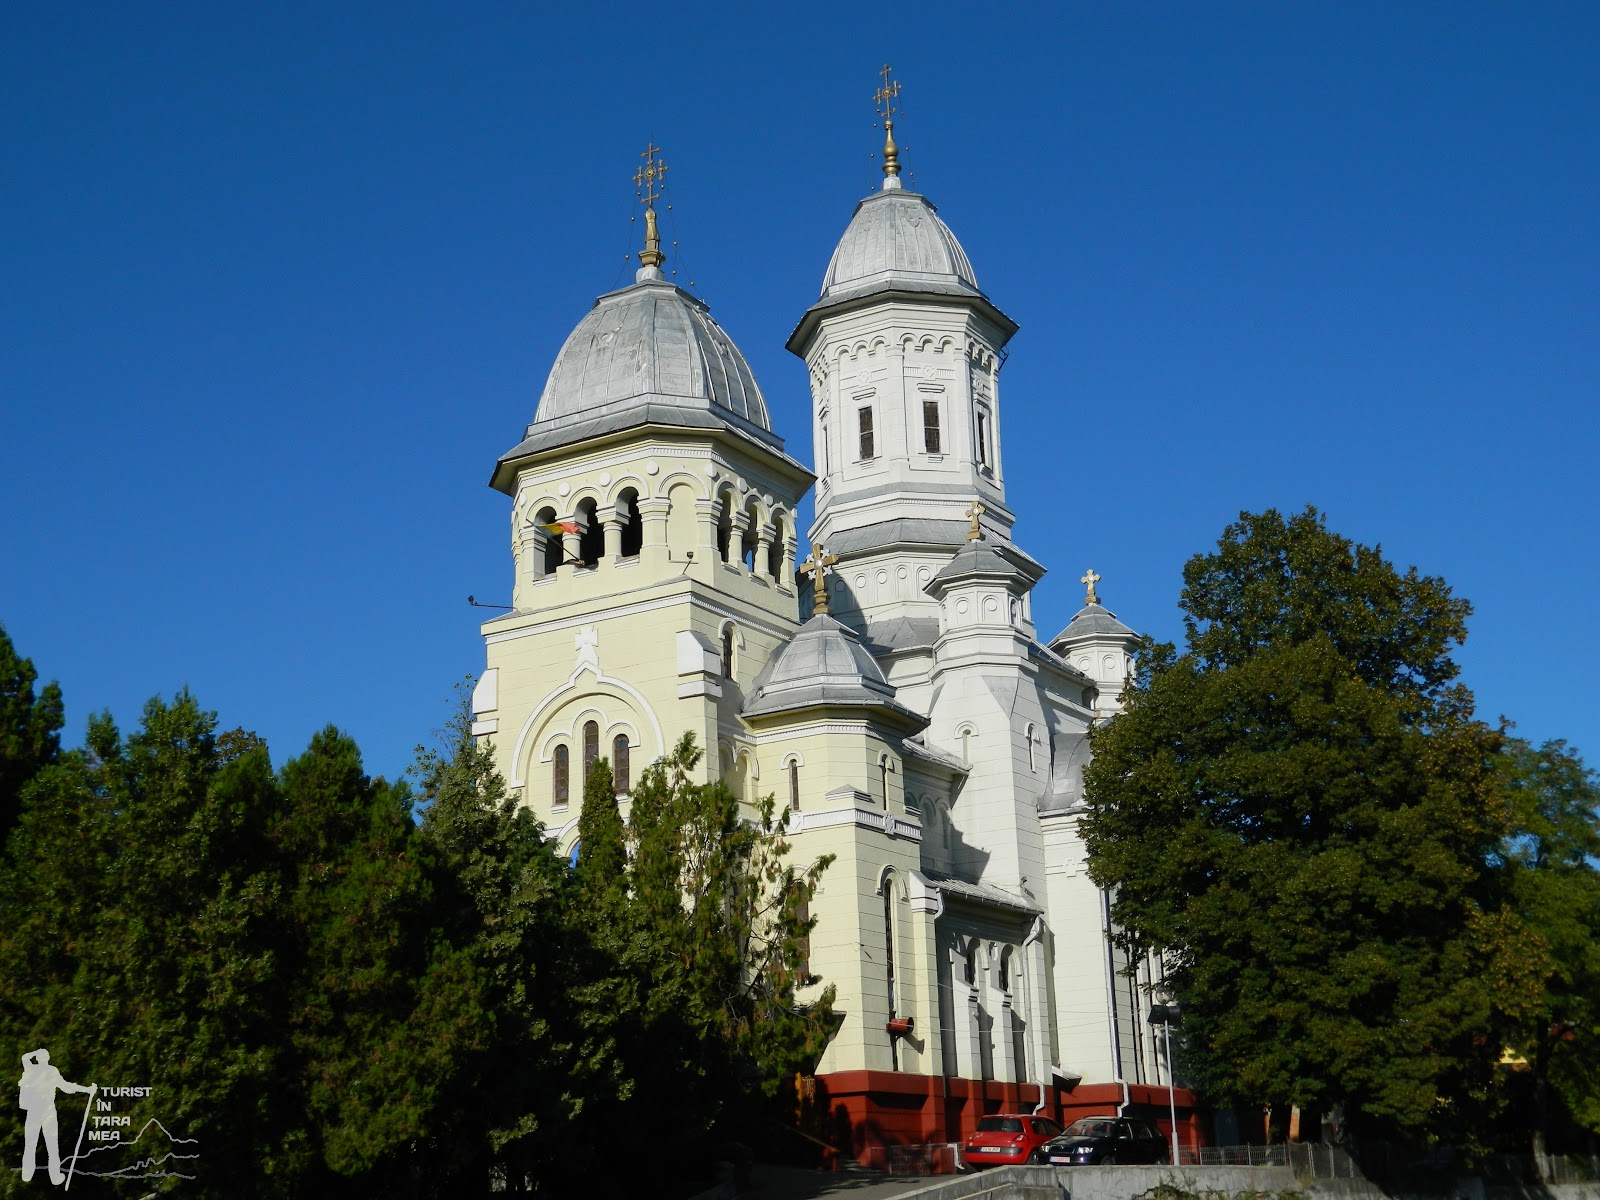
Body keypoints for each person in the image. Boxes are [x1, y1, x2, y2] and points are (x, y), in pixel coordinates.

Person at [18, 1049, 93, 1186]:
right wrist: (87, 1089)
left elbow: (66, 1086)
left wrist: (86, 1089)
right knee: (49, 1146)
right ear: (47, 1058)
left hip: (42, 1111)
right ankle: (42, 1175)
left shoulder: (36, 1069)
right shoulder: (48, 1071)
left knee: (36, 1145)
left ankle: (31, 1174)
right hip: (44, 1110)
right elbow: (67, 1087)